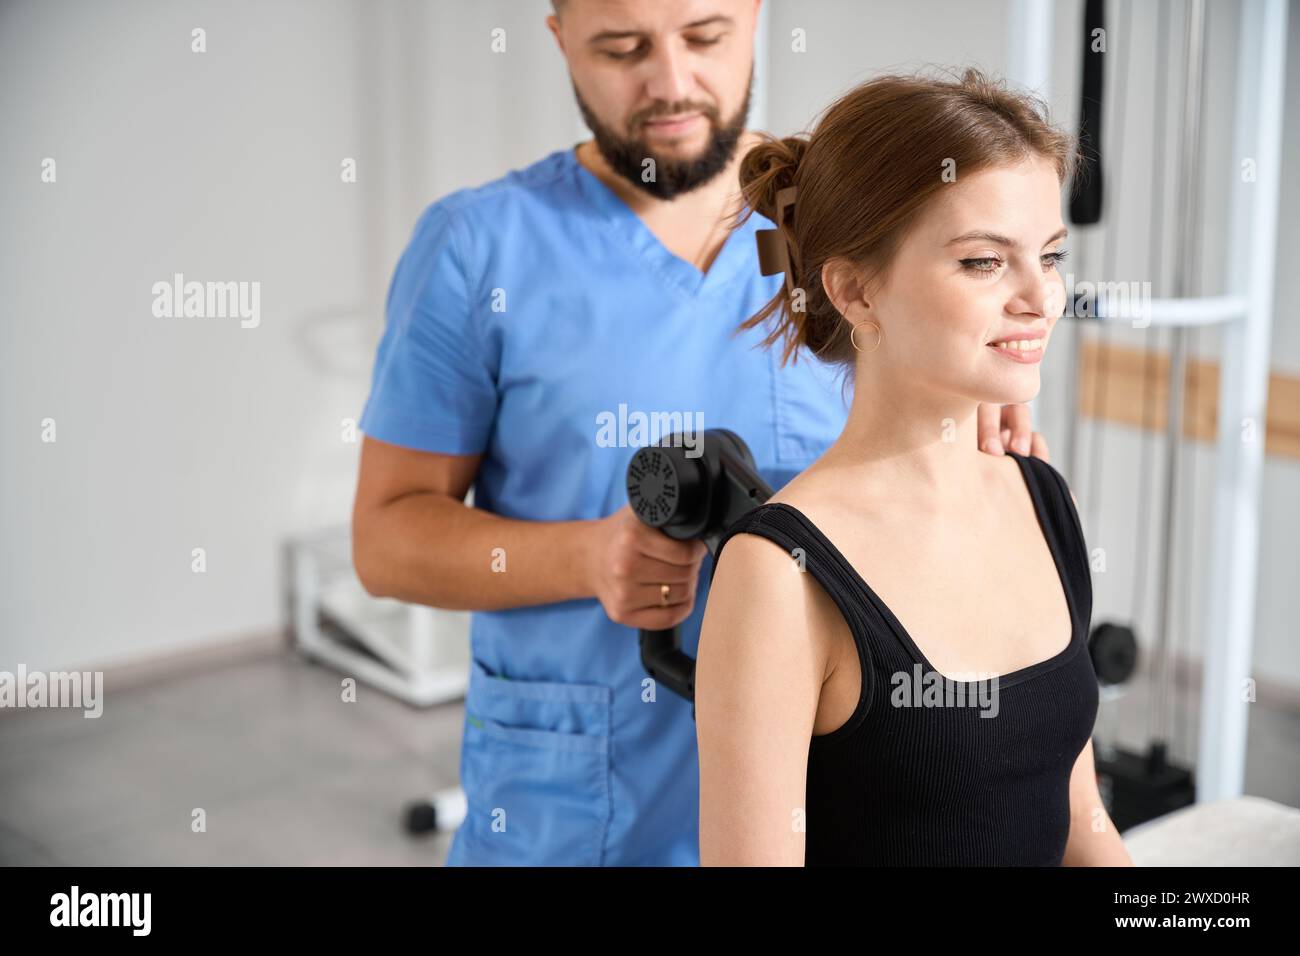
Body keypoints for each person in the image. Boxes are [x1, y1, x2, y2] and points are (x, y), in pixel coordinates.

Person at [351, 0, 1048, 866]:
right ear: (560, 36)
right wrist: (588, 559)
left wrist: (968, 392)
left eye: (706, 36)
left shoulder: (862, 226)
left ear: (756, 14)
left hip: (835, 799)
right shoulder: (477, 249)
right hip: (587, 810)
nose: (672, 83)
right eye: (622, 47)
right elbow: (385, 538)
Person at [697, 68, 1133, 866]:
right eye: (983, 262)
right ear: (857, 292)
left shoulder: (1041, 496)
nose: (1042, 297)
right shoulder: (779, 575)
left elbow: (1084, 824)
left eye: (1050, 254)